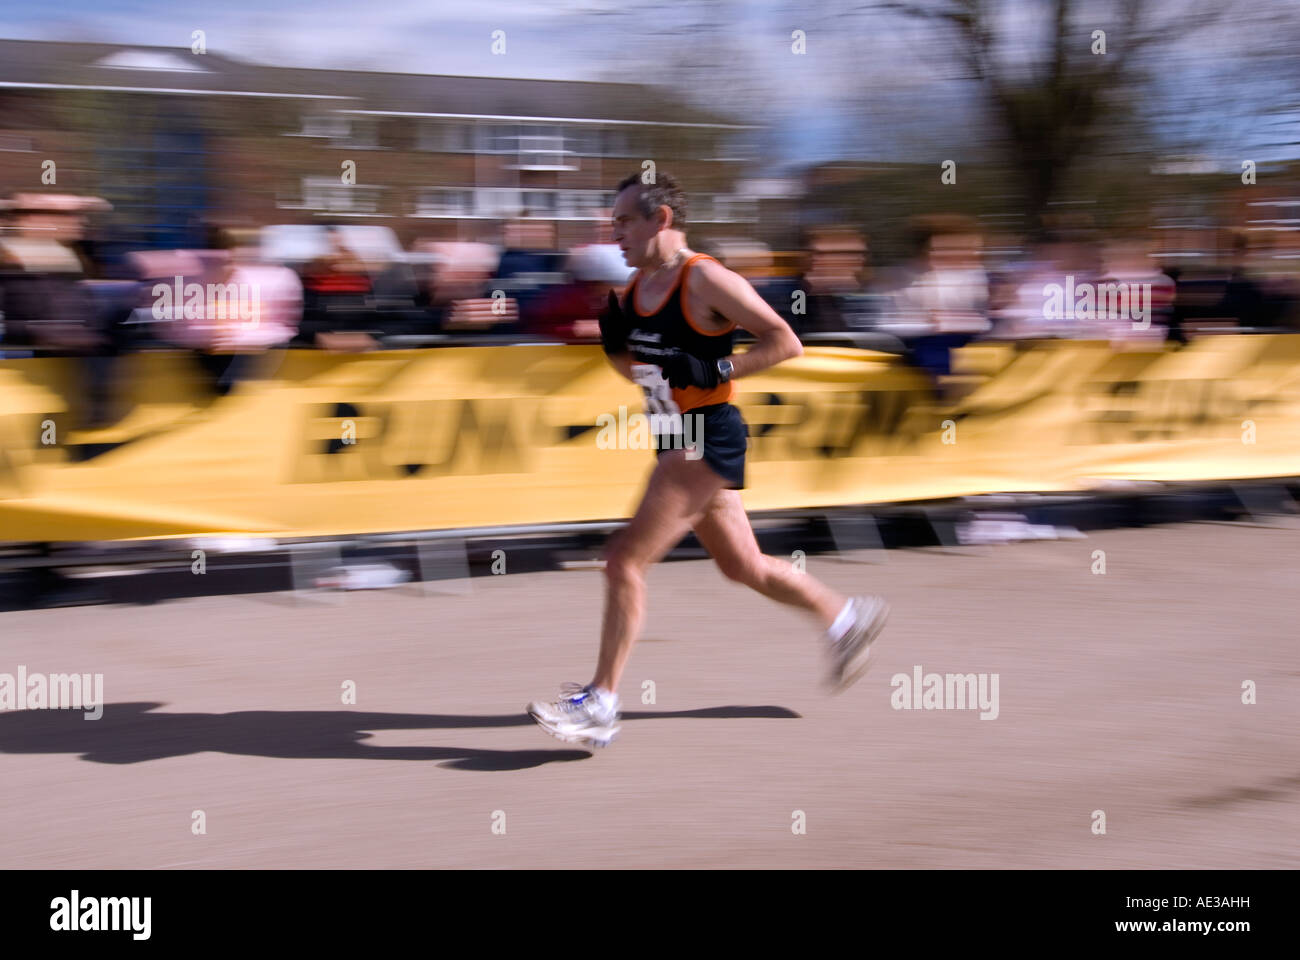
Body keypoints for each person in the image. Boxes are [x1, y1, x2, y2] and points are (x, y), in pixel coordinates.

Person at [526, 173, 890, 748]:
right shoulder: (634, 290)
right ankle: (845, 618)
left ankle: (601, 703)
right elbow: (642, 372)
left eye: (624, 220)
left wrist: (720, 369)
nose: (613, 232)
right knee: (742, 566)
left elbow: (783, 340)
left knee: (623, 560)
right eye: (613, 221)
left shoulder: (706, 279)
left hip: (704, 435)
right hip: (672, 435)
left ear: (661, 219)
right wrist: (616, 349)